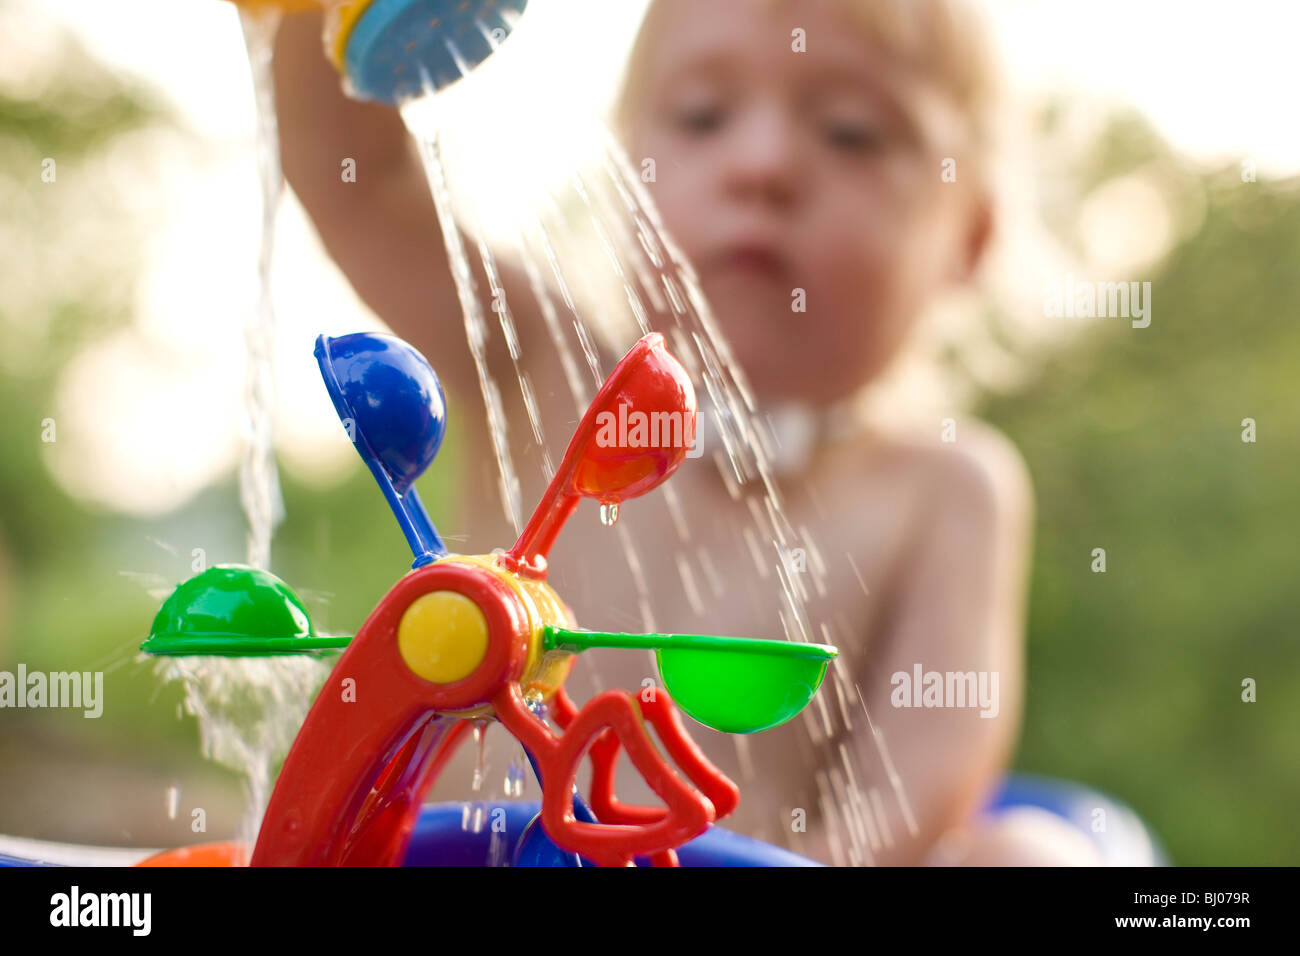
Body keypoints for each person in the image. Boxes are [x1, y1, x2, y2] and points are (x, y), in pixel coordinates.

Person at [271, 0, 1102, 864]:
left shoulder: (944, 486)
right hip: (460, 858)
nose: (762, 163)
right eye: (703, 116)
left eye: (852, 133)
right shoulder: (541, 367)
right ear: (625, 168)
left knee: (1034, 855)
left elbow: (916, 791)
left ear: (968, 234)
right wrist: (306, 16)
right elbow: (360, 180)